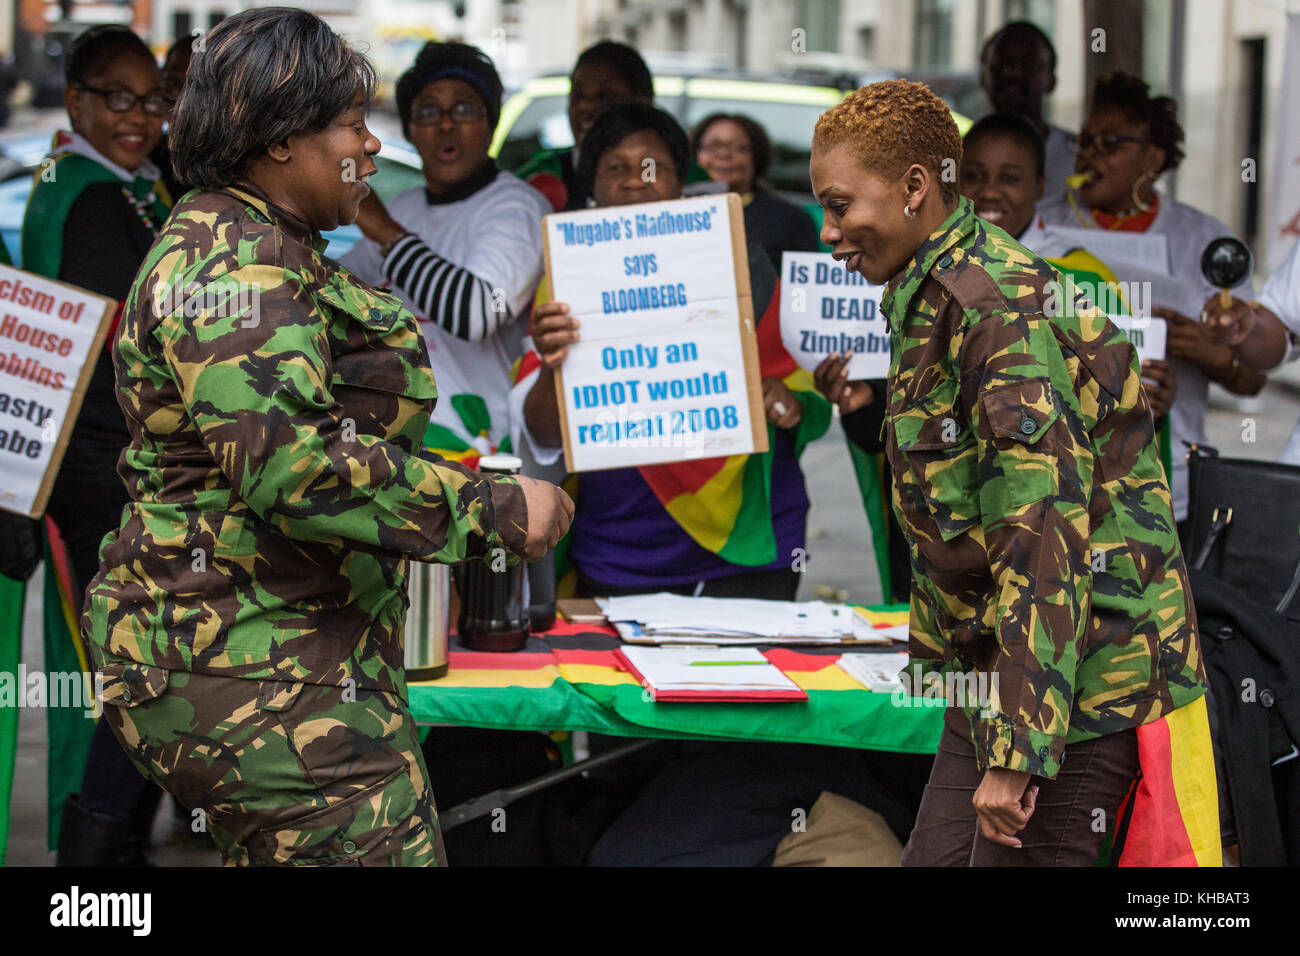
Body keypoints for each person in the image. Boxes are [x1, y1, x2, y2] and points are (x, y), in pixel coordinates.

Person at [80, 7, 573, 868]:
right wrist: (497, 507)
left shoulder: (273, 244)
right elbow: (294, 465)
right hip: (249, 663)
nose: (374, 148)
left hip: (282, 651)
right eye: (353, 124)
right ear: (277, 138)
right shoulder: (235, 264)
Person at [810, 79, 1206, 865]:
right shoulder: (930, 295)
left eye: (841, 205)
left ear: (916, 188)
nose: (829, 232)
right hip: (1000, 677)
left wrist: (1017, 749)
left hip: (1087, 691)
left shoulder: (997, 313)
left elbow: (1044, 538)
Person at [514, 102, 829, 601]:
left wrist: (785, 402)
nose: (635, 182)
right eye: (614, 168)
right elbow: (542, 434)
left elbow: (805, 390)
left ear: (682, 183)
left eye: (651, 166)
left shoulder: (739, 264)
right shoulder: (568, 277)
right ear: (591, 189)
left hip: (749, 548)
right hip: (618, 549)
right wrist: (554, 368)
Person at [21, 23, 173, 867]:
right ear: (76, 98)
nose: (139, 116)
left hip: (107, 468)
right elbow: (137, 344)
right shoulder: (85, 193)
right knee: (138, 676)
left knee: (142, 671)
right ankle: (92, 875)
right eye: (118, 98)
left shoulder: (110, 184)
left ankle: (117, 859)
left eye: (151, 100)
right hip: (103, 474)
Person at [1037, 72, 1268, 530]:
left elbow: (1253, 380)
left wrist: (1212, 352)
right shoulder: (1042, 231)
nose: (1089, 154)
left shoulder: (1205, 241)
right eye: (1085, 141)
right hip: (1059, 480)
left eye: (1111, 142)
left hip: (1170, 484)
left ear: (1153, 158)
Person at [340, 41, 550, 466]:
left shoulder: (517, 208)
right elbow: (339, 290)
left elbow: (477, 311)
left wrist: (384, 231)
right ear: (410, 130)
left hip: (490, 458)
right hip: (409, 451)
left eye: (465, 110)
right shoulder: (406, 207)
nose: (446, 125)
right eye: (429, 112)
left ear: (490, 123)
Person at [515, 40, 655, 212]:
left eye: (605, 96)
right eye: (578, 95)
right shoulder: (533, 181)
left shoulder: (689, 183)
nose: (585, 107)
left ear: (643, 102)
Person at [691, 112, 820, 273]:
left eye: (738, 148)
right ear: (695, 155)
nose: (724, 154)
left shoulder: (791, 220)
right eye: (712, 146)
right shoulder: (675, 215)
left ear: (756, 158)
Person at [979, 20, 1074, 204]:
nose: (1011, 73)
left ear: (1051, 81)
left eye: (1027, 64)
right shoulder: (955, 155)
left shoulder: (1077, 158)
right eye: (1002, 63)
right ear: (983, 77)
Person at [149, 34, 195, 202]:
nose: (178, 94)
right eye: (172, 80)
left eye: (193, 84)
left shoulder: (242, 167)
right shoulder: (146, 157)